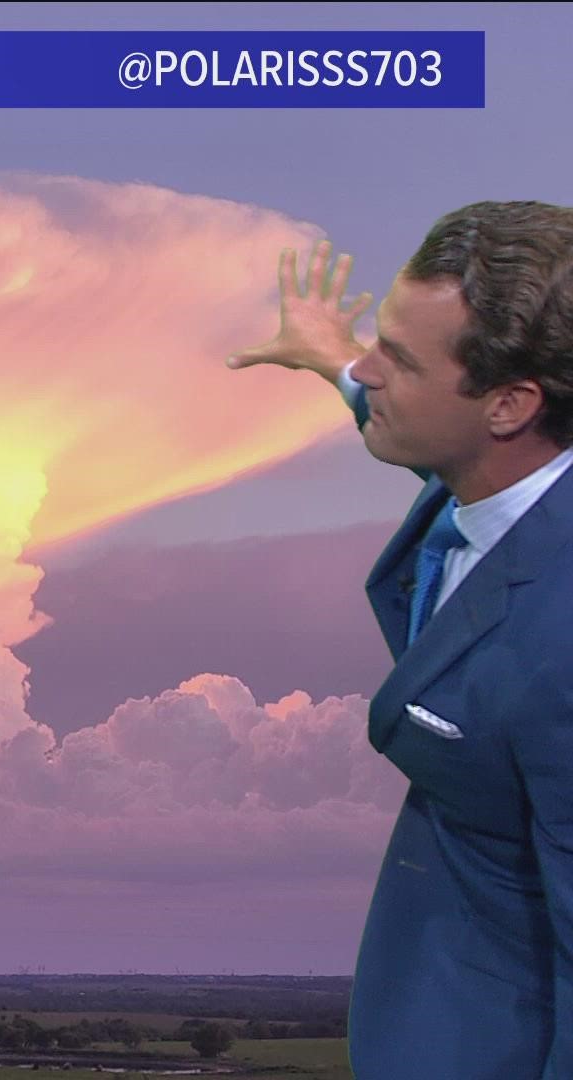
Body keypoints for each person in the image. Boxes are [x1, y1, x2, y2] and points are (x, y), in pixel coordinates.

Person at [228, 202, 573, 1079]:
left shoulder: (560, 644)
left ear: (510, 404)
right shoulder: (506, 471)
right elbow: (417, 426)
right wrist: (326, 353)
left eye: (400, 360)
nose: (368, 373)